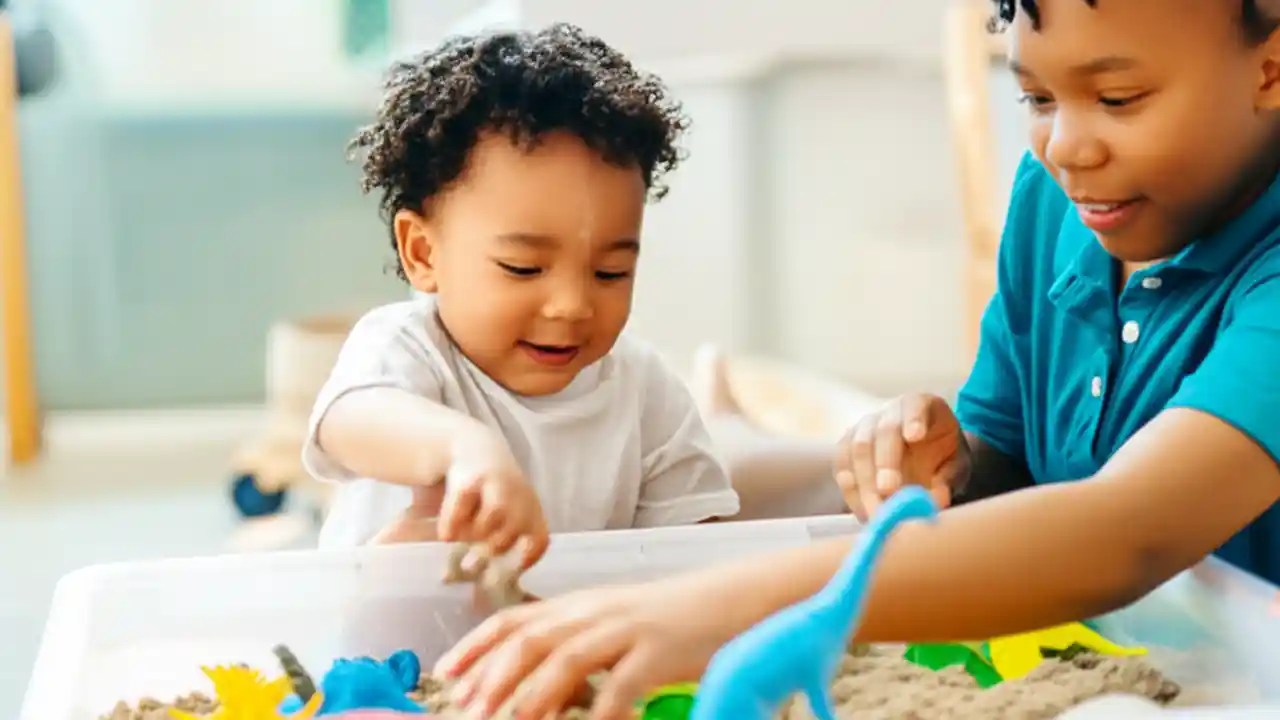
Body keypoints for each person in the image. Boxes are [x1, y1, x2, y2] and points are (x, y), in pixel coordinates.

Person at [431, 1, 1280, 718]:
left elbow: (1130, 530)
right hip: (1118, 637)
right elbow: (1006, 465)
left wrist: (719, 604)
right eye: (1035, 97)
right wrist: (947, 461)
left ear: (1271, 70)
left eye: (1119, 97)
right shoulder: (1061, 204)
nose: (1066, 146)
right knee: (746, 471)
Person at [304, 23, 740, 559]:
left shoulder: (644, 390)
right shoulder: (409, 346)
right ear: (422, 252)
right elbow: (350, 422)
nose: (573, 306)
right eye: (524, 268)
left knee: (778, 472)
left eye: (610, 272)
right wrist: (466, 450)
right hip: (393, 635)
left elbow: (706, 553)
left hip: (568, 631)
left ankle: (739, 420)